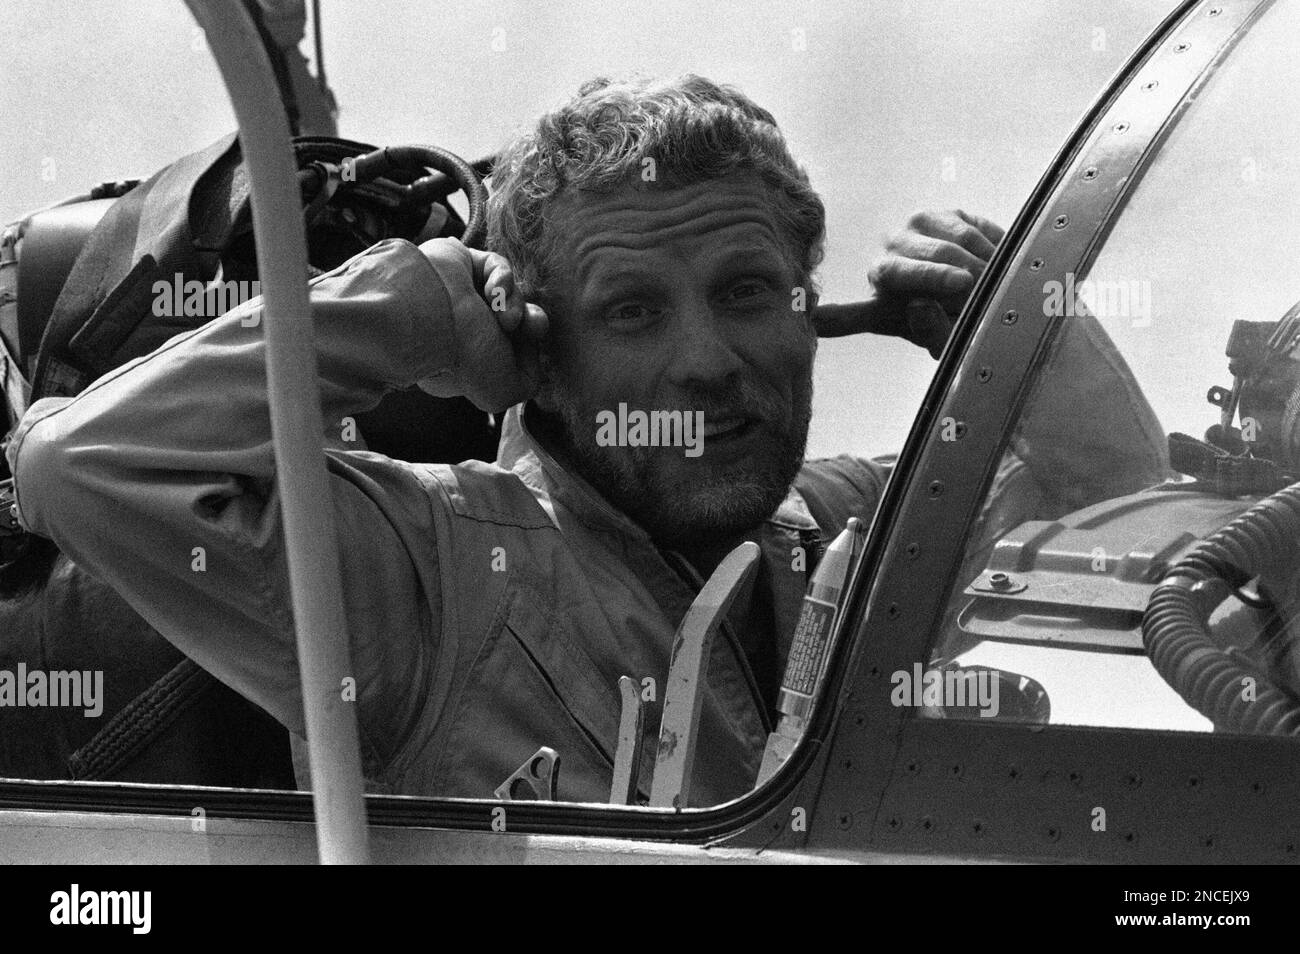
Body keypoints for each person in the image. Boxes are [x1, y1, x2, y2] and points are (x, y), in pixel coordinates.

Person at [4, 75, 1146, 805]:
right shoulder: (431, 567)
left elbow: (1118, 507)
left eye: (748, 291)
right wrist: (411, 309)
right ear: (533, 350)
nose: (705, 359)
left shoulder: (843, 533)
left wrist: (1045, 344)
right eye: (632, 311)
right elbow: (80, 469)